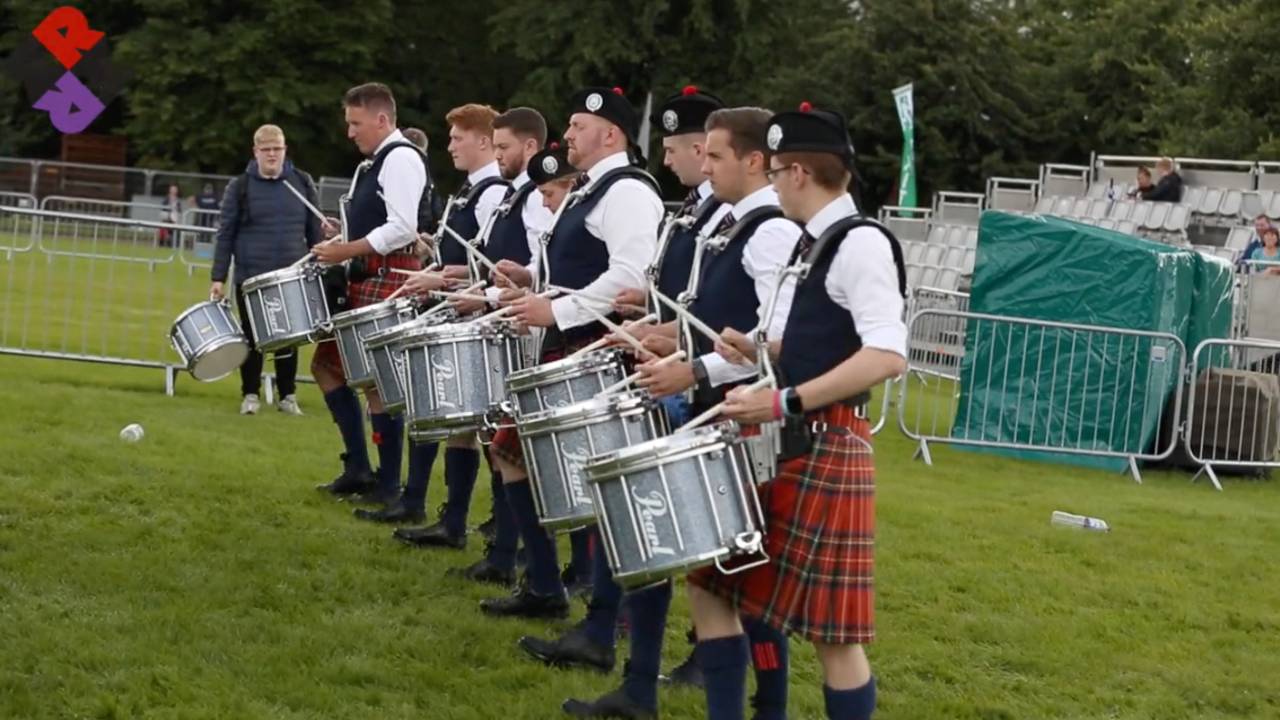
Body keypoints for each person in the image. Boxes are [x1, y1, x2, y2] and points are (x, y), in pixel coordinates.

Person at [546, 105, 801, 720]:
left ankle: (768, 708)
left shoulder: (769, 230)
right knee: (687, 563)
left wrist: (694, 366)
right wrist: (664, 333)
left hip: (748, 419)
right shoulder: (731, 224)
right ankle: (640, 690)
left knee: (748, 584)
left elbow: (776, 341)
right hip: (711, 409)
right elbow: (717, 320)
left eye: (715, 157)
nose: (703, 168)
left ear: (753, 160)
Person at [687, 103, 907, 720]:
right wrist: (763, 348)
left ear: (800, 173)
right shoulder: (819, 243)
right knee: (712, 584)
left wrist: (782, 398)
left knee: (835, 636)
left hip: (826, 440)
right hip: (789, 440)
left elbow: (887, 353)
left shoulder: (860, 243)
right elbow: (824, 340)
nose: (773, 183)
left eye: (778, 171)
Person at [479, 86, 663, 620]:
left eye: (579, 126)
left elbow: (629, 276)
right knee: (513, 452)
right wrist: (531, 277)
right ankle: (546, 586)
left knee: (594, 477)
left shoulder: (627, 191)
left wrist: (557, 311)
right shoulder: (590, 189)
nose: (569, 135)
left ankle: (608, 608)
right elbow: (579, 264)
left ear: (611, 134)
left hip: (596, 345)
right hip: (572, 340)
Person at [441, 108, 557, 585]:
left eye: (505, 146)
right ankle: (506, 551)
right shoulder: (515, 195)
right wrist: (471, 282)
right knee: (499, 440)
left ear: (530, 148)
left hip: (528, 328)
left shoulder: (533, 199)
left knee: (509, 446)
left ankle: (518, 556)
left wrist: (497, 290)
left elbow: (538, 264)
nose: (499, 153)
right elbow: (499, 263)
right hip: (507, 317)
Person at [386, 104, 509, 547]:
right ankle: (453, 521)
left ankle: (498, 524)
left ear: (482, 140)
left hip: (481, 318)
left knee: (488, 429)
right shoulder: (472, 189)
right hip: (458, 312)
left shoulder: (494, 191)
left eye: (458, 138)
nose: (450, 145)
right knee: (461, 427)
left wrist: (441, 277)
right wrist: (434, 268)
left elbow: (494, 267)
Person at [310, 82, 426, 503]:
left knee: (378, 382)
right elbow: (378, 223)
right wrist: (342, 234)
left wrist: (345, 248)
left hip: (389, 275)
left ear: (381, 119)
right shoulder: (374, 163)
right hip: (366, 273)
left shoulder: (401, 159)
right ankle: (359, 467)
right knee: (328, 365)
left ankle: (388, 482)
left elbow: (402, 228)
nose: (349, 133)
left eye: (355, 123)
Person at [210, 124, 320, 416]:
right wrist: (218, 277)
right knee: (252, 337)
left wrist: (319, 262)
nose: (272, 155)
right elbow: (226, 233)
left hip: (291, 275)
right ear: (255, 152)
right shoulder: (240, 187)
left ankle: (288, 396)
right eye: (266, 150)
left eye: (277, 149)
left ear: (285, 150)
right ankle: (250, 394)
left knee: (290, 337)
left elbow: (315, 232)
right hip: (251, 276)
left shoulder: (302, 183)